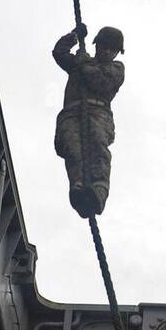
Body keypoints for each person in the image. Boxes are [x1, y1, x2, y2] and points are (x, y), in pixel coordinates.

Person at [53, 24, 125, 218]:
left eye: (112, 49)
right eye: (104, 46)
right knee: (73, 150)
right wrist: (74, 36)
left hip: (98, 114)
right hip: (71, 114)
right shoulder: (81, 62)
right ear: (97, 45)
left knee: (98, 151)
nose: (107, 51)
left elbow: (100, 81)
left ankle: (98, 192)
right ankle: (78, 188)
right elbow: (59, 53)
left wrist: (83, 63)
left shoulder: (116, 68)